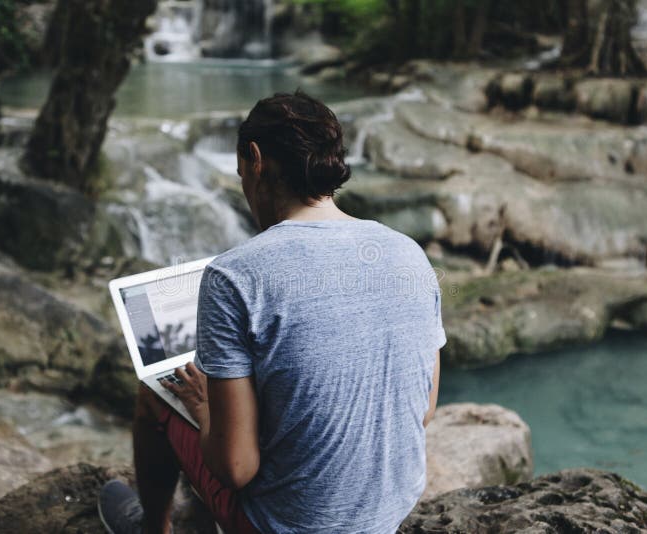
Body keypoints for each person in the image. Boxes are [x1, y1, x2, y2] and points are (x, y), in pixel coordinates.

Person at [98, 90, 446, 534]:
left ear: (255, 160)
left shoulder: (235, 276)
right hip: (388, 512)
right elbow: (425, 408)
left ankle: (154, 528)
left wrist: (205, 408)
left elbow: (236, 468)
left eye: (242, 171)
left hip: (282, 526)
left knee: (155, 393)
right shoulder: (408, 253)